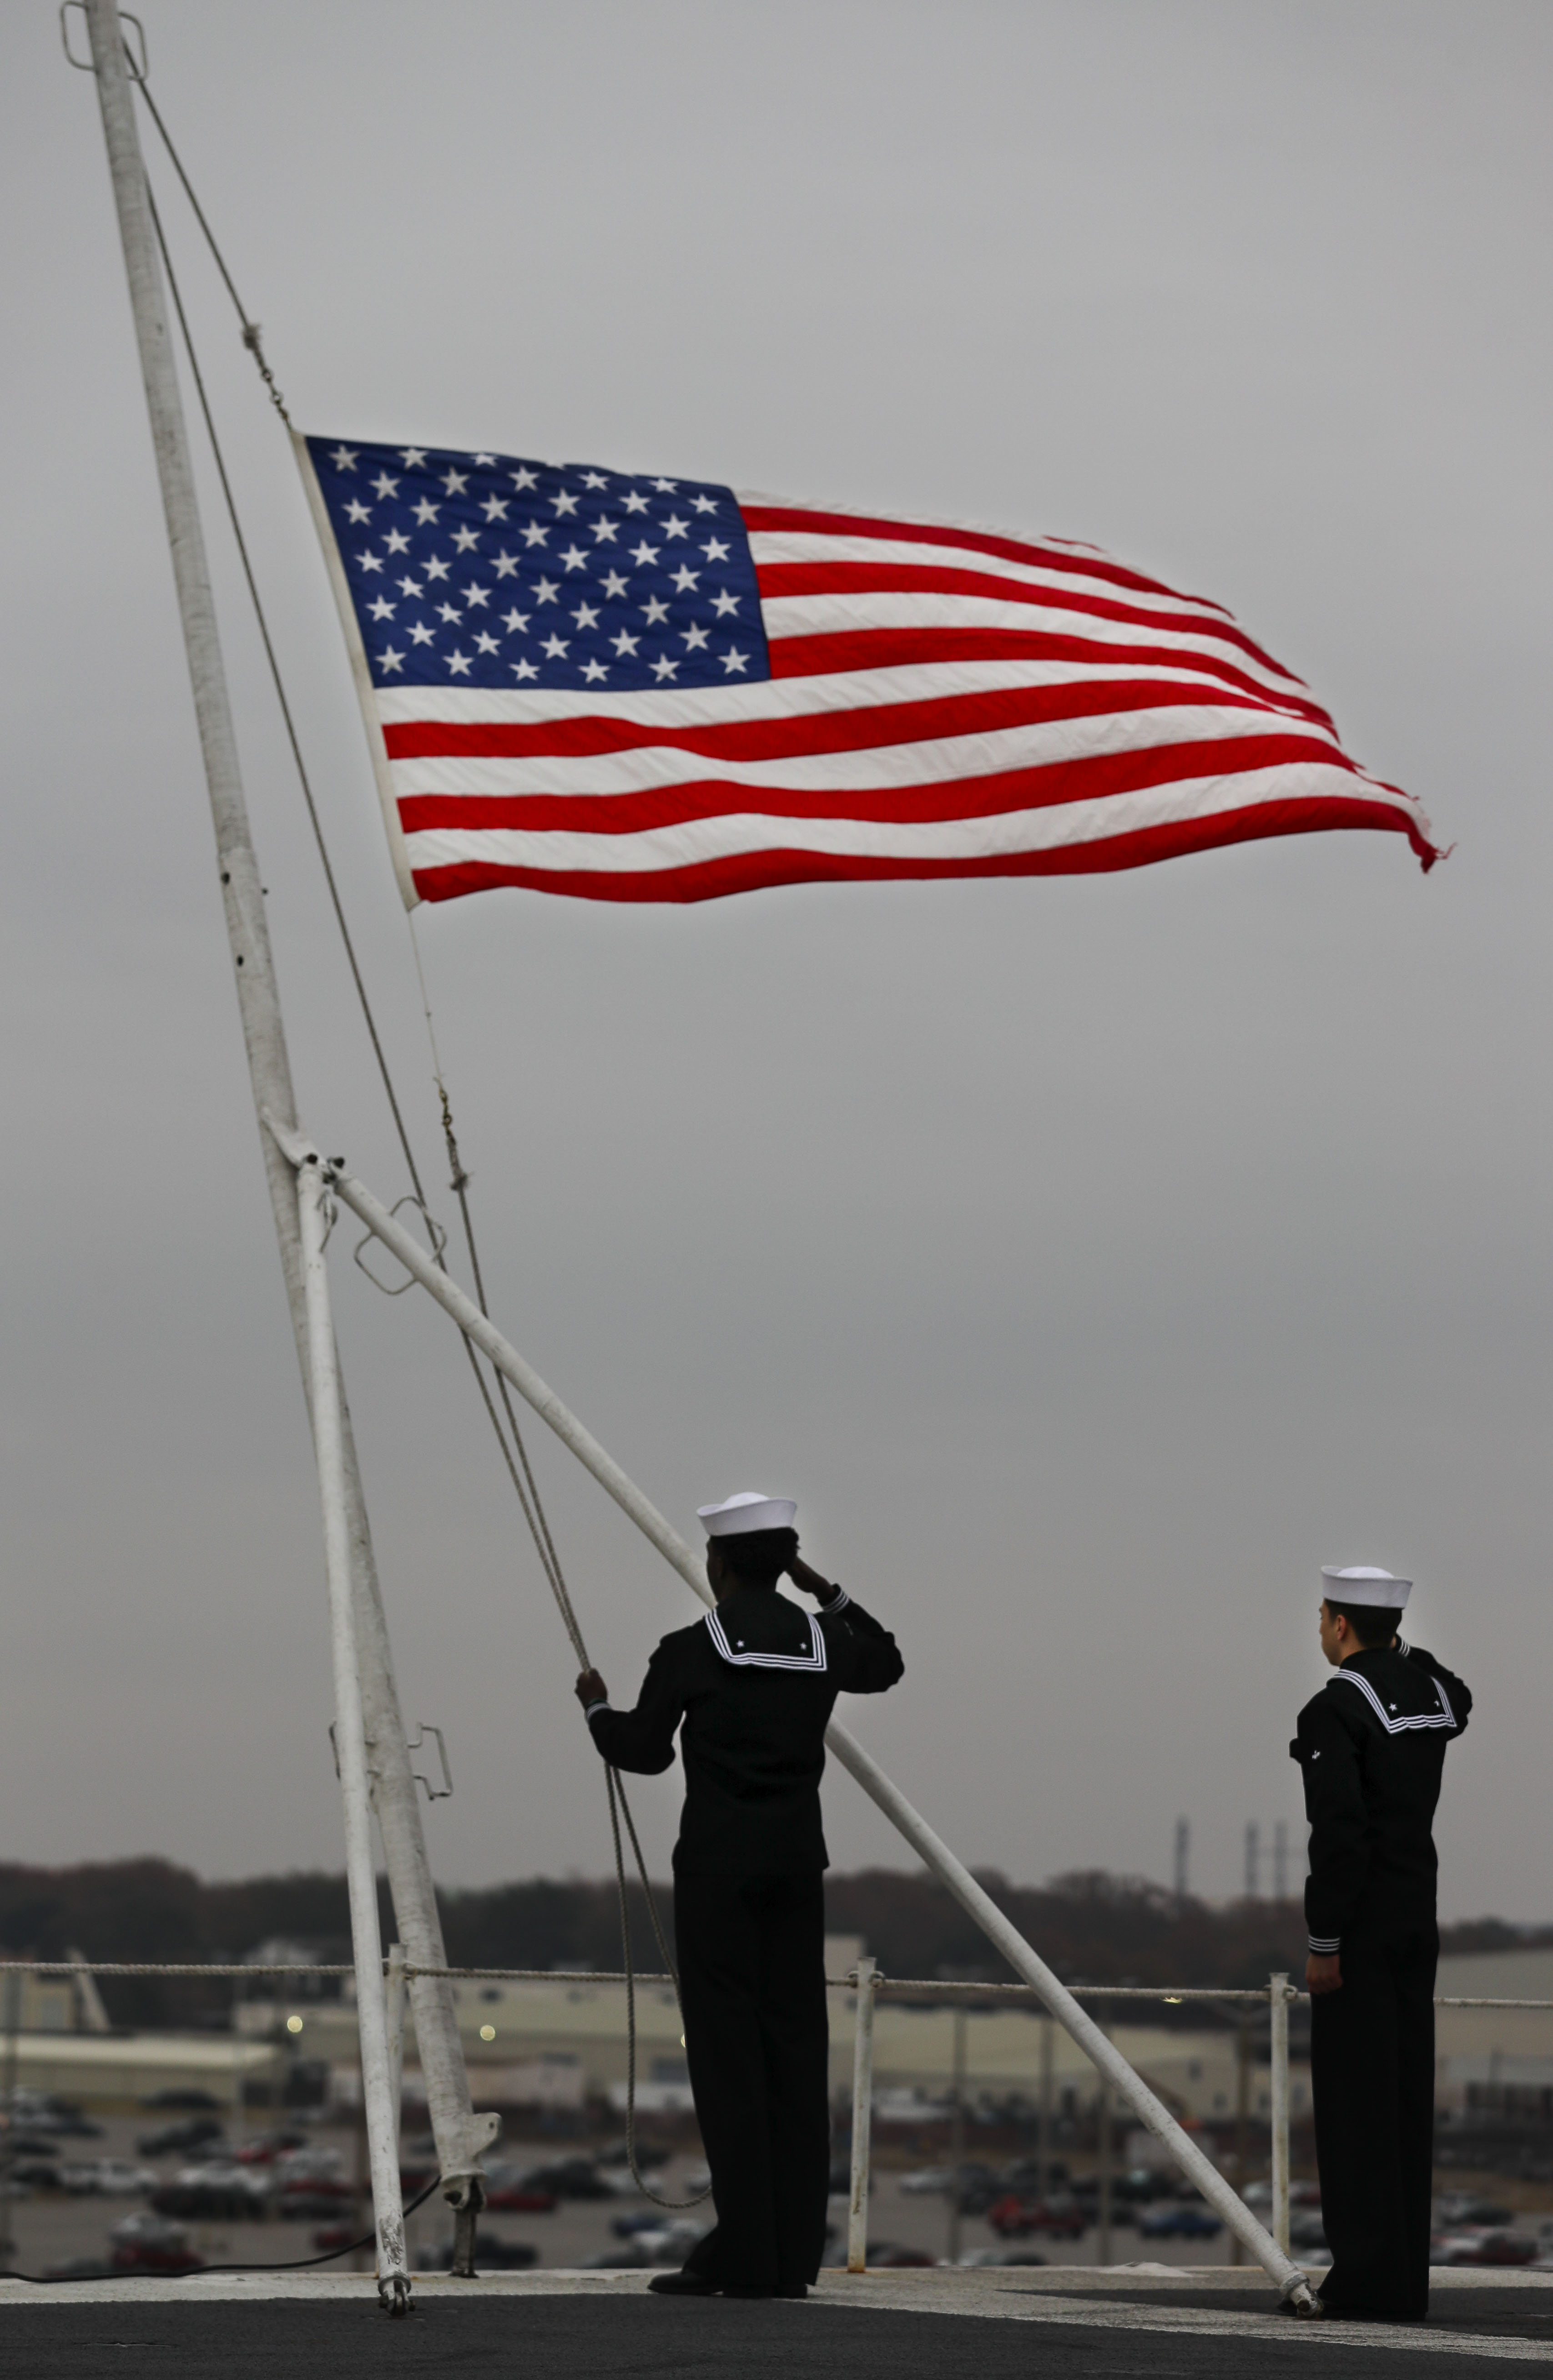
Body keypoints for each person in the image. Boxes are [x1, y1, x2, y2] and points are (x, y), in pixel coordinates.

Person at [574, 1491, 903, 2299]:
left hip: (718, 1875)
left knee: (728, 2061)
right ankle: (792, 2261)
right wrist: (817, 1583)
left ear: (716, 1563)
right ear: (782, 1563)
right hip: (797, 1870)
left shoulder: (691, 1649)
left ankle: (745, 2257)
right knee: (793, 2053)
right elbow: (886, 1660)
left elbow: (643, 1753)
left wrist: (595, 1710)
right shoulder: (823, 1643)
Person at [1291, 1564, 1471, 2323]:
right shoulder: (1428, 1699)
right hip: (1415, 1920)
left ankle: (1365, 2281)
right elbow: (1455, 1692)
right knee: (1402, 2101)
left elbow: (1338, 1836)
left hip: (1360, 1928)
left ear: (1336, 1623)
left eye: (1323, 1615)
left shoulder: (1333, 1709)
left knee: (1354, 2104)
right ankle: (1403, 2284)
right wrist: (1401, 1651)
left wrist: (1323, 1939)